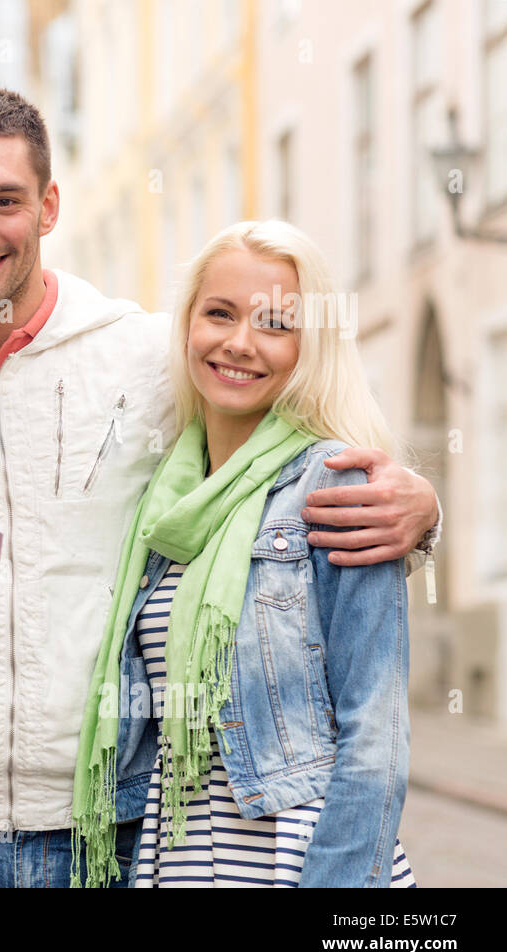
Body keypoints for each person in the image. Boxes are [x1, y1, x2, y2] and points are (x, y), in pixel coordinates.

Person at [0, 88, 439, 887]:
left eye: (5, 201)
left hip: (113, 832)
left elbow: (282, 426)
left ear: (49, 206)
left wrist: (421, 505)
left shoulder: (148, 354)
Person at [72, 220, 415, 887]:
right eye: (219, 314)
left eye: (274, 324)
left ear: (309, 346)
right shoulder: (162, 500)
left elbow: (376, 736)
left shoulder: (338, 486)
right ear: (188, 326)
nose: (239, 343)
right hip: (177, 863)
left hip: (301, 864)